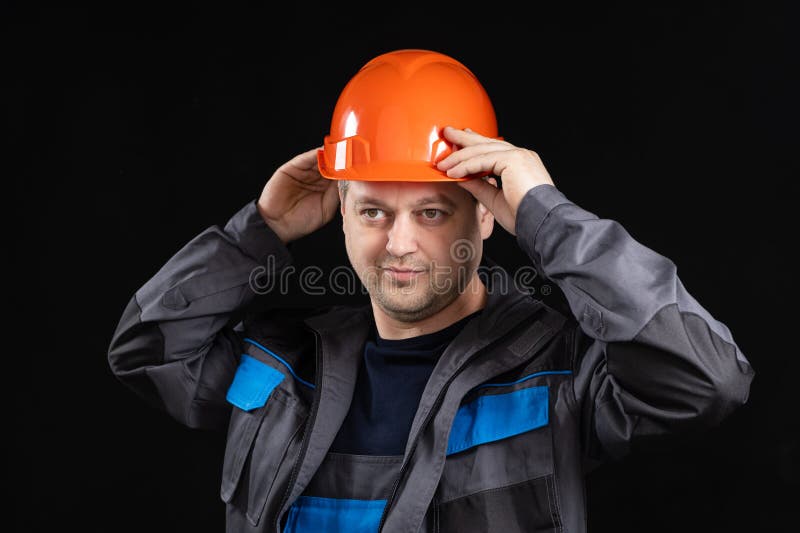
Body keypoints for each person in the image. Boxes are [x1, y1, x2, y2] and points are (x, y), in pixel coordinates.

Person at [107, 49, 755, 533]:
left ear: (487, 213)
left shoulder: (557, 370)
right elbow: (145, 348)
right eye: (372, 211)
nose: (398, 243)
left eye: (432, 212)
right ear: (339, 214)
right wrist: (261, 229)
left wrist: (545, 212)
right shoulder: (284, 363)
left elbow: (705, 377)